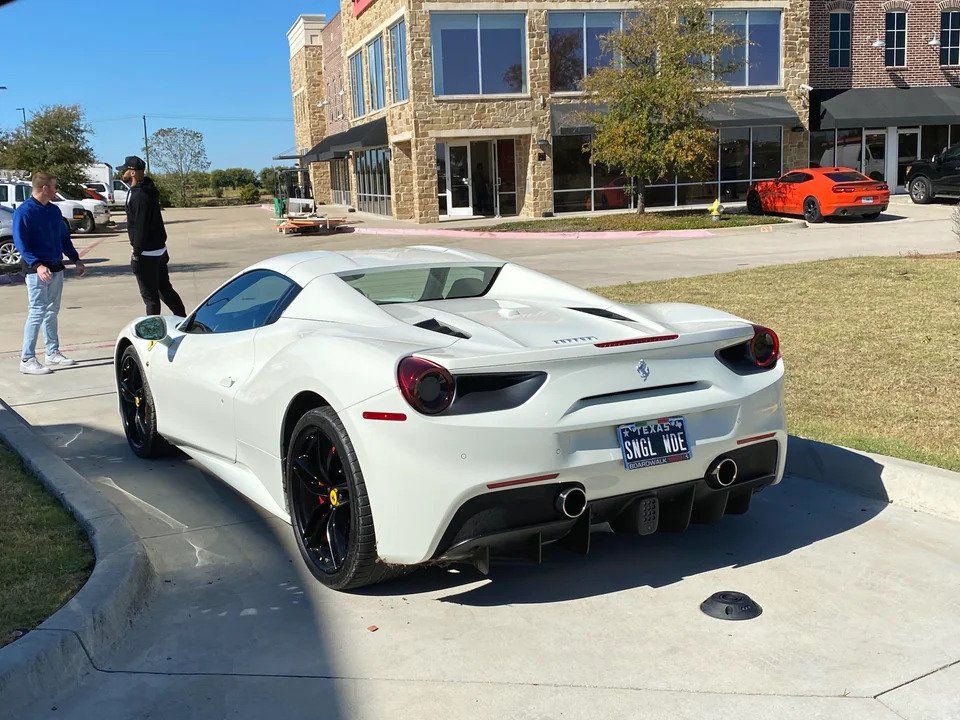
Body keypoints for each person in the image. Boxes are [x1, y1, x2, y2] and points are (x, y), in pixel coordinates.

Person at [13, 172, 86, 375]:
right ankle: (27, 359)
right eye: (54, 186)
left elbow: (63, 239)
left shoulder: (54, 212)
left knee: (52, 310)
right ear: (44, 188)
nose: (56, 190)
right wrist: (37, 265)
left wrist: (76, 259)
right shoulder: (24, 212)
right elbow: (20, 242)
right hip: (37, 270)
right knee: (37, 311)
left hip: (55, 267)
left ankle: (52, 352)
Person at [118, 156, 186, 317]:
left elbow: (141, 225)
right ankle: (183, 318)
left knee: (151, 298)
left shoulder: (139, 195)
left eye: (125, 170)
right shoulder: (146, 189)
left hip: (146, 253)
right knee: (164, 289)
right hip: (160, 250)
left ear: (133, 172)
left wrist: (136, 252)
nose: (123, 172)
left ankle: (152, 335)